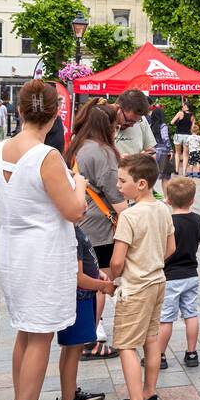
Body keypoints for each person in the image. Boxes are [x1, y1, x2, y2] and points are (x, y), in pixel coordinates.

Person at [0, 79, 89, 400]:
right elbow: (73, 211)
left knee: (25, 330)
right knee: (41, 335)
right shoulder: (46, 156)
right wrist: (78, 184)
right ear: (54, 116)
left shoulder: (1, 149)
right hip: (43, 252)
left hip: (14, 249)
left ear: (19, 110)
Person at [101, 153, 175, 400]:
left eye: (122, 181)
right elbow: (171, 248)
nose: (118, 186)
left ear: (141, 183)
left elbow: (117, 260)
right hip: (157, 281)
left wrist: (115, 278)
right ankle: (148, 394)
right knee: (151, 339)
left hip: (135, 287)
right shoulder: (162, 208)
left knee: (125, 345)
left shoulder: (129, 216)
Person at [65, 103, 127, 359]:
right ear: (107, 126)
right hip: (100, 227)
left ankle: (87, 334)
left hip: (78, 223)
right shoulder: (102, 152)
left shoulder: (75, 146)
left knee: (87, 280)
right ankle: (92, 337)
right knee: (101, 281)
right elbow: (116, 196)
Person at [52, 221, 114, 400]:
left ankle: (70, 393)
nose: (85, 206)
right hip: (79, 296)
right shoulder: (70, 234)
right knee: (73, 348)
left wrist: (99, 274)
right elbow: (78, 277)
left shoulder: (75, 230)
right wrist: (104, 285)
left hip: (85, 296)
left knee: (74, 348)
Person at [157, 176, 200, 367]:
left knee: (166, 318)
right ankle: (192, 352)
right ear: (192, 200)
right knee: (191, 314)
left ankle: (159, 355)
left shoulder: (168, 222)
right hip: (191, 274)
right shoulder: (197, 219)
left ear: (167, 199)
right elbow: (199, 239)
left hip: (170, 276)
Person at [114, 89, 156, 157]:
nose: (132, 125)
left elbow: (151, 151)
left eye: (136, 122)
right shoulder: (102, 120)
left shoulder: (142, 121)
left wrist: (140, 159)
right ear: (118, 108)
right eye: (129, 120)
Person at [147, 103, 173, 195]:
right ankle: (166, 197)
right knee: (166, 177)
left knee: (151, 176)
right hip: (163, 152)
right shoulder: (163, 126)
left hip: (153, 152)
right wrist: (170, 150)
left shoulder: (151, 126)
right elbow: (165, 138)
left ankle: (150, 195)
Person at [172, 100, 195, 176]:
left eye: (183, 105)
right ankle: (184, 172)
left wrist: (178, 121)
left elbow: (172, 122)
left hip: (178, 134)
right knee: (185, 154)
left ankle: (176, 170)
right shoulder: (192, 116)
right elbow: (192, 129)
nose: (182, 107)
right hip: (187, 136)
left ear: (186, 107)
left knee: (177, 153)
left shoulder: (180, 113)